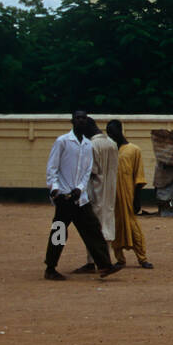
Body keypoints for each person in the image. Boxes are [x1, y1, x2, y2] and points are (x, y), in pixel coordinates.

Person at [43, 111, 122, 281]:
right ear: (72, 121)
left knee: (93, 229)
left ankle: (104, 265)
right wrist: (55, 189)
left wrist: (80, 188)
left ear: (87, 122)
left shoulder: (87, 145)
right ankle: (50, 267)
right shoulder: (62, 142)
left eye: (84, 118)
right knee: (59, 232)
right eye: (78, 118)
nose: (81, 120)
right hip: (64, 197)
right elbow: (52, 167)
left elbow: (87, 171)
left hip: (80, 198)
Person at [71, 117, 119, 273]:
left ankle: (93, 261)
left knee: (94, 225)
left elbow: (91, 171)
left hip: (95, 189)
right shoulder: (112, 143)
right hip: (110, 188)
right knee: (107, 222)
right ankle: (105, 259)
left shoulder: (90, 145)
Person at [106, 120, 153, 268]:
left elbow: (138, 177)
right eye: (109, 133)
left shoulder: (134, 150)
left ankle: (142, 258)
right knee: (115, 229)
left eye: (113, 133)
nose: (111, 136)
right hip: (112, 198)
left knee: (134, 229)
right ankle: (120, 259)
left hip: (128, 197)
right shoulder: (109, 150)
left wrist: (137, 199)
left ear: (120, 131)